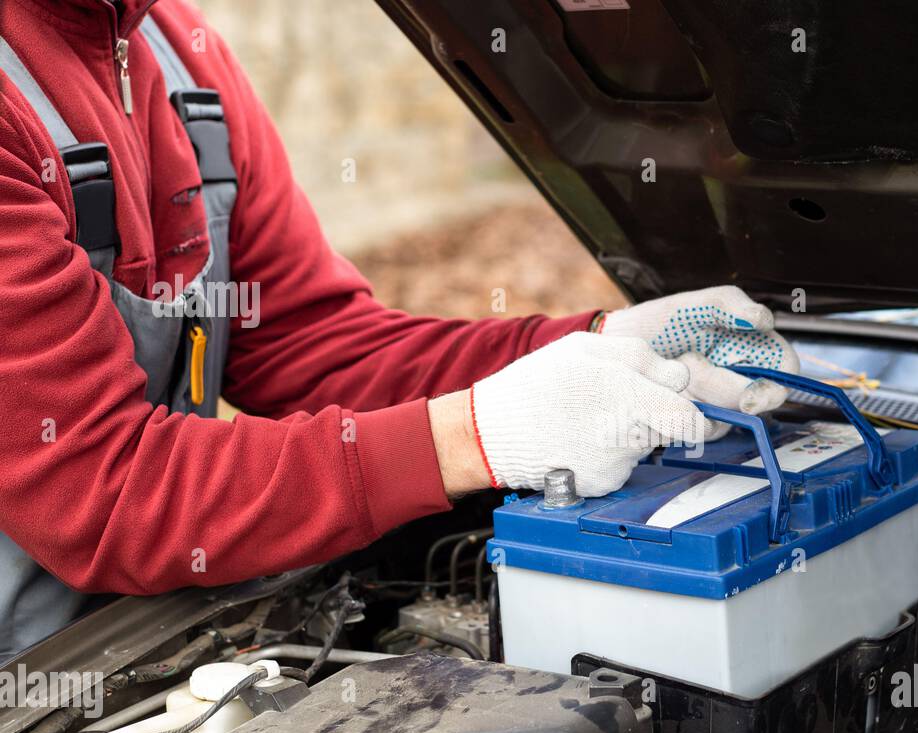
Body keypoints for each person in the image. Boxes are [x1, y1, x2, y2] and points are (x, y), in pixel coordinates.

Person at [0, 0, 797, 658]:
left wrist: (603, 343)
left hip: (140, 642)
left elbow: (312, 345)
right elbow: (101, 488)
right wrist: (468, 439)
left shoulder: (175, 48)